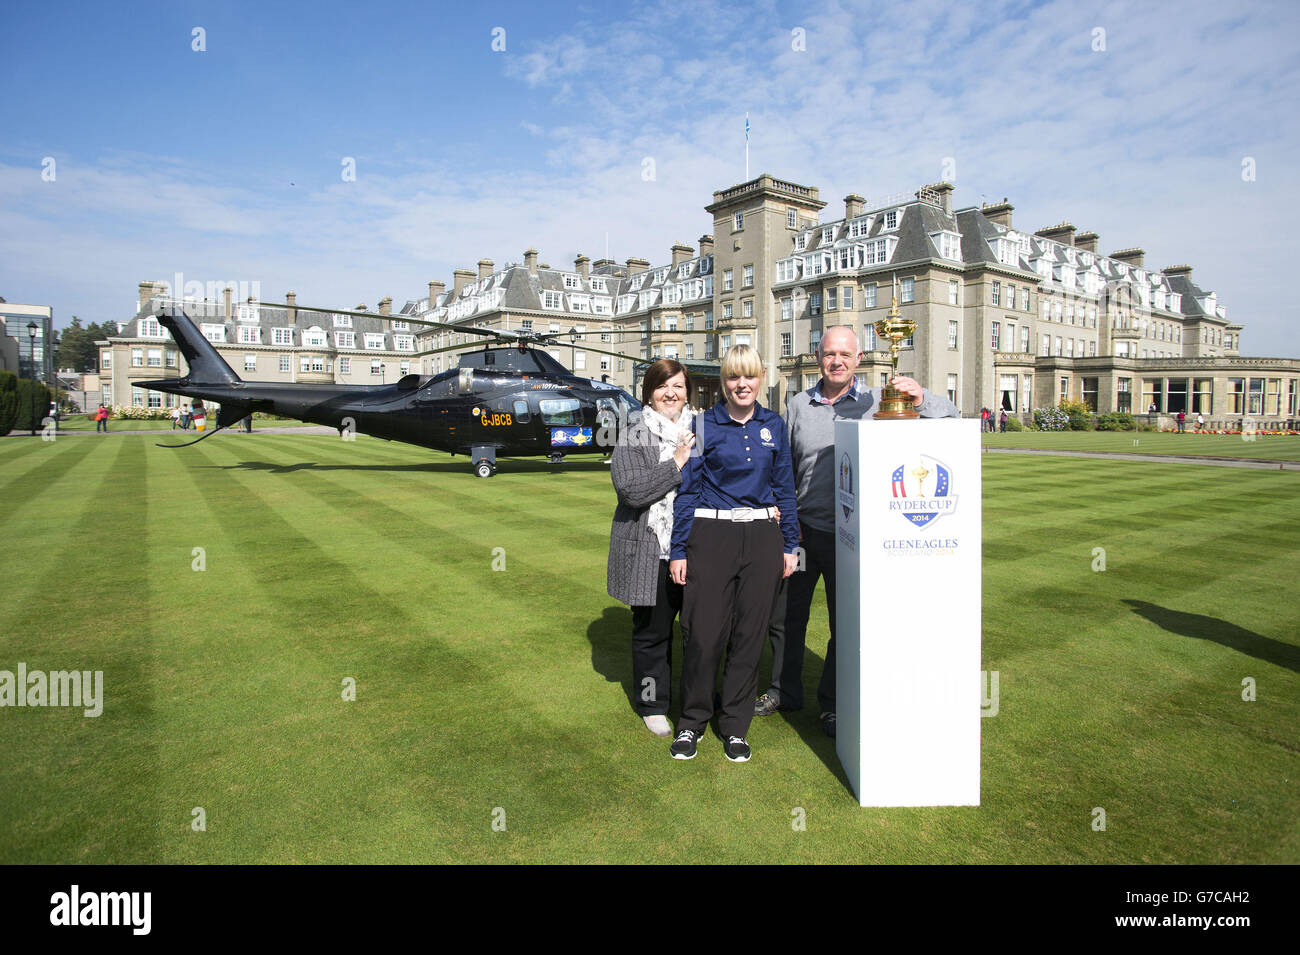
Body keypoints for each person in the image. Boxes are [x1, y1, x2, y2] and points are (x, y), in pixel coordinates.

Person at [755, 325, 960, 737]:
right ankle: (783, 690)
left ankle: (832, 703)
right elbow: (782, 468)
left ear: (859, 359)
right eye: (830, 353)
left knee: (843, 623)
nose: (837, 361)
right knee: (786, 619)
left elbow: (950, 421)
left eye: (845, 355)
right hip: (803, 532)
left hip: (855, 536)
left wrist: (921, 398)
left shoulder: (874, 404)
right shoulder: (798, 405)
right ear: (818, 357)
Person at [667, 345, 799, 762]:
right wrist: (679, 550)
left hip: (762, 537)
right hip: (711, 535)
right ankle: (691, 722)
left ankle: (736, 725)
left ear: (760, 378)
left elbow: (784, 490)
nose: (742, 385)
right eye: (732, 377)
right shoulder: (703, 424)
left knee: (749, 638)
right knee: (704, 635)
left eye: (749, 377)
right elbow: (687, 491)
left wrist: (791, 544)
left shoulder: (773, 425)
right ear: (723, 381)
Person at [606, 359, 697, 738]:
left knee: (701, 631)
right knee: (652, 633)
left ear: (687, 391)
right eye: (663, 386)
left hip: (696, 548)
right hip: (650, 549)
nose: (671, 393)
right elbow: (632, 490)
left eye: (677, 385)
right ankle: (653, 703)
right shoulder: (634, 432)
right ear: (649, 393)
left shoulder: (703, 430)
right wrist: (676, 463)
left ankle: (697, 701)